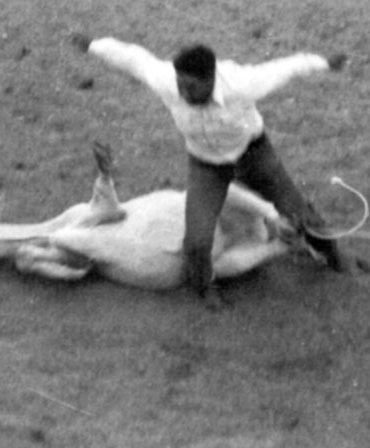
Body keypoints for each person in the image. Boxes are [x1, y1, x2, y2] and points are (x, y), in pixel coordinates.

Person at [73, 33, 349, 306]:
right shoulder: (167, 81)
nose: (183, 93)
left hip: (253, 153)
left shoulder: (241, 83)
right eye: (181, 85)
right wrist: (94, 46)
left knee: (301, 213)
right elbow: (132, 58)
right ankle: (205, 287)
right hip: (206, 165)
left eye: (192, 87)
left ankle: (333, 255)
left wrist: (324, 63)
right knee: (196, 241)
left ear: (211, 79)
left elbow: (285, 68)